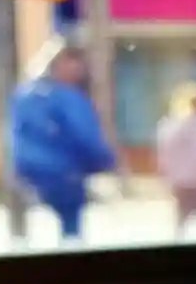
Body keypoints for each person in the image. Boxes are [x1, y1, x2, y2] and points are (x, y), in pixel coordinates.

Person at [9, 47, 116, 241]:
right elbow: (85, 136)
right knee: (71, 228)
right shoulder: (69, 97)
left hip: (26, 170)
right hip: (63, 172)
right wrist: (105, 161)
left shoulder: (25, 94)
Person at [156, 82, 196, 238]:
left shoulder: (170, 124)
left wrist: (166, 175)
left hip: (179, 179)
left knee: (181, 219)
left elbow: (164, 152)